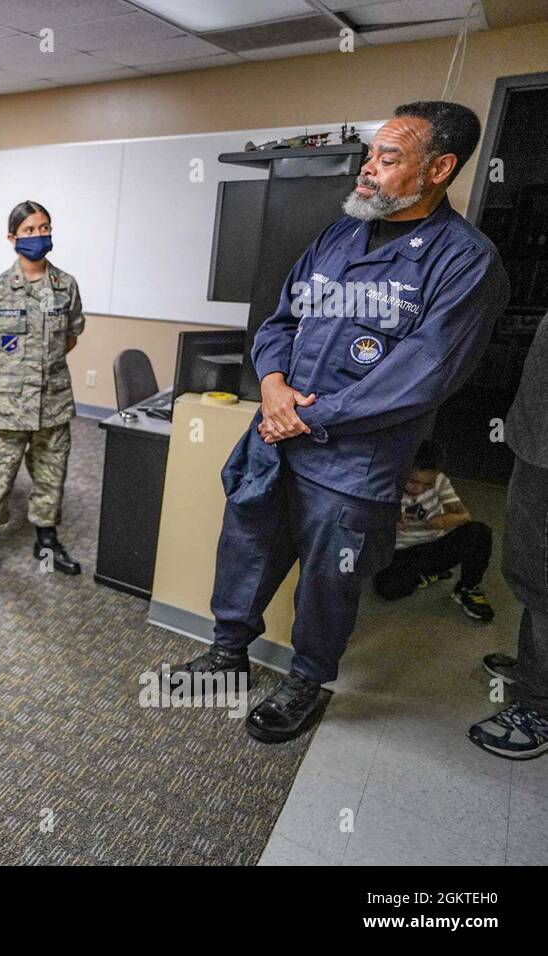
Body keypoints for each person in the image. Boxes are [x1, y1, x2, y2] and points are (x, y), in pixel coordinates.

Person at [169, 101, 511, 743]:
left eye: (388, 159)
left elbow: (425, 373)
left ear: (438, 168)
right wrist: (272, 387)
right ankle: (227, 654)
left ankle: (306, 681)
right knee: (246, 549)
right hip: (277, 437)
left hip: (354, 463)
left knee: (332, 577)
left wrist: (309, 418)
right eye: (368, 157)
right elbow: (280, 322)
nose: (368, 171)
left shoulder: (464, 261)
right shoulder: (340, 234)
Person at [0, 200, 84, 585]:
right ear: (12, 238)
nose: (38, 235)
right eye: (29, 230)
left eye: (44, 227)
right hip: (5, 408)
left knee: (51, 480)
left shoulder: (66, 285)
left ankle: (46, 545)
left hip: (52, 405)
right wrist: (2, 377)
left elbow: (70, 337)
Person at [469, 311, 548, 759]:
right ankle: (535, 671)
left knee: (543, 578)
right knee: (528, 568)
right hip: (536, 443)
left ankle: (540, 703)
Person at [373, 439, 495, 621]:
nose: (419, 489)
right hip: (398, 552)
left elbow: (464, 515)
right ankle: (427, 574)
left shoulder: (440, 482)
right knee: (388, 589)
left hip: (433, 545)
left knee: (479, 532)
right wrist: (386, 523)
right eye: (412, 482)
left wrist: (445, 520)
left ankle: (467, 588)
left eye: (427, 484)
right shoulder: (387, 484)